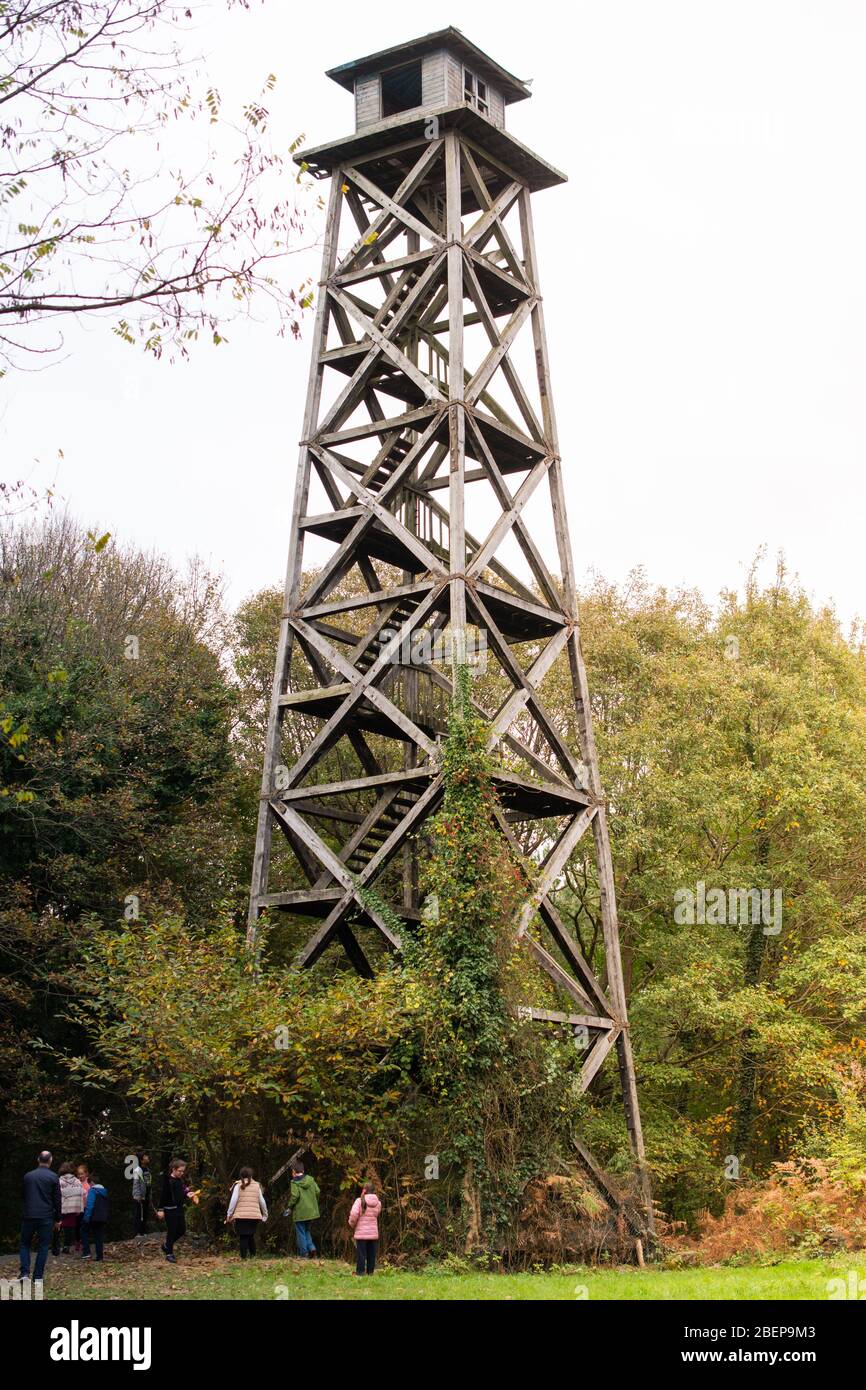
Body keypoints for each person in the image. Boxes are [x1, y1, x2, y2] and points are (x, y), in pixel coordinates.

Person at [19, 1150, 61, 1291]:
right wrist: (58, 1218)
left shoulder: (28, 1176)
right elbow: (57, 1200)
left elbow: (23, 1196)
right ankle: (38, 1276)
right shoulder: (53, 1177)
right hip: (46, 1216)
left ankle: (25, 1273)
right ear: (50, 1160)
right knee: (43, 1246)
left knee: (24, 1244)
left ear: (38, 1159)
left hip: (29, 1215)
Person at [157, 1158, 196, 1263]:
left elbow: (182, 1191)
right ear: (174, 1169)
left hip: (179, 1209)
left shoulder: (179, 1180)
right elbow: (163, 1196)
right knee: (172, 1230)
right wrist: (160, 1209)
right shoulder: (168, 1181)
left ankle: (166, 1245)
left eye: (183, 1171)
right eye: (180, 1171)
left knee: (182, 1230)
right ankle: (169, 1253)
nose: (182, 1173)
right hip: (169, 1209)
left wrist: (188, 1194)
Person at [225, 1167, 268, 1259]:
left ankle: (244, 1257)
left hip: (241, 1216)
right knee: (251, 1235)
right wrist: (265, 1214)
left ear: (241, 1175)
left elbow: (233, 1201)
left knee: (243, 1237)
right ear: (251, 1175)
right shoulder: (257, 1185)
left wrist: (229, 1214)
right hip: (254, 1216)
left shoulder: (238, 1185)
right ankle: (253, 1256)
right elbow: (262, 1201)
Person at [286, 1161, 320, 1259]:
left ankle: (304, 1254)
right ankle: (312, 1248)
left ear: (293, 1172)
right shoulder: (311, 1180)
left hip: (300, 1212)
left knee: (301, 1232)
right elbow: (318, 1191)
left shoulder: (294, 1182)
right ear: (303, 1170)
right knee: (306, 1230)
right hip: (311, 1211)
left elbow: (295, 1196)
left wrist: (290, 1207)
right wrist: (313, 1202)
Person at [348, 1182, 382, 1277]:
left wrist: (352, 1224)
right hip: (373, 1233)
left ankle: (360, 1273)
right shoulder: (378, 1203)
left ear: (364, 1190)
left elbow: (353, 1215)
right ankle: (370, 1273)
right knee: (371, 1254)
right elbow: (376, 1214)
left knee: (361, 1254)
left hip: (361, 1233)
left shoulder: (359, 1201)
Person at [53, 1163, 84, 1256]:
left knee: (58, 1227)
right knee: (69, 1228)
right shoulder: (77, 1181)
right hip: (73, 1207)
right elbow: (80, 1195)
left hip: (61, 1208)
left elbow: (56, 1195)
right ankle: (66, 1247)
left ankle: (55, 1247)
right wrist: (79, 1208)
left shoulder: (59, 1181)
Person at [80, 1174, 109, 1262]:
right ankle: (100, 1256)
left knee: (83, 1231)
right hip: (102, 1217)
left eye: (89, 1184)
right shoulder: (104, 1191)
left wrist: (86, 1218)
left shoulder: (93, 1191)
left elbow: (90, 1205)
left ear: (92, 1182)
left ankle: (86, 1251)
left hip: (93, 1216)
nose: (89, 1186)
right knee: (99, 1236)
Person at [131, 1152, 152, 1244]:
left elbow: (148, 1183)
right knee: (139, 1214)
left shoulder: (147, 1169)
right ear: (141, 1160)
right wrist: (138, 1195)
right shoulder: (137, 1170)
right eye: (145, 1156)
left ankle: (143, 1231)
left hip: (146, 1195)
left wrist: (150, 1194)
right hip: (139, 1196)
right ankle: (137, 1232)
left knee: (145, 1214)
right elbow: (136, 1184)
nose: (147, 1157)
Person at [74, 1164, 91, 1254]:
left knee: (84, 1227)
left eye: (82, 1174)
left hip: (85, 1208)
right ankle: (77, 1241)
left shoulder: (89, 1184)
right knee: (77, 1226)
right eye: (78, 1174)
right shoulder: (76, 1183)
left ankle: (83, 1243)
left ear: (86, 1174)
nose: (80, 1176)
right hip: (77, 1208)